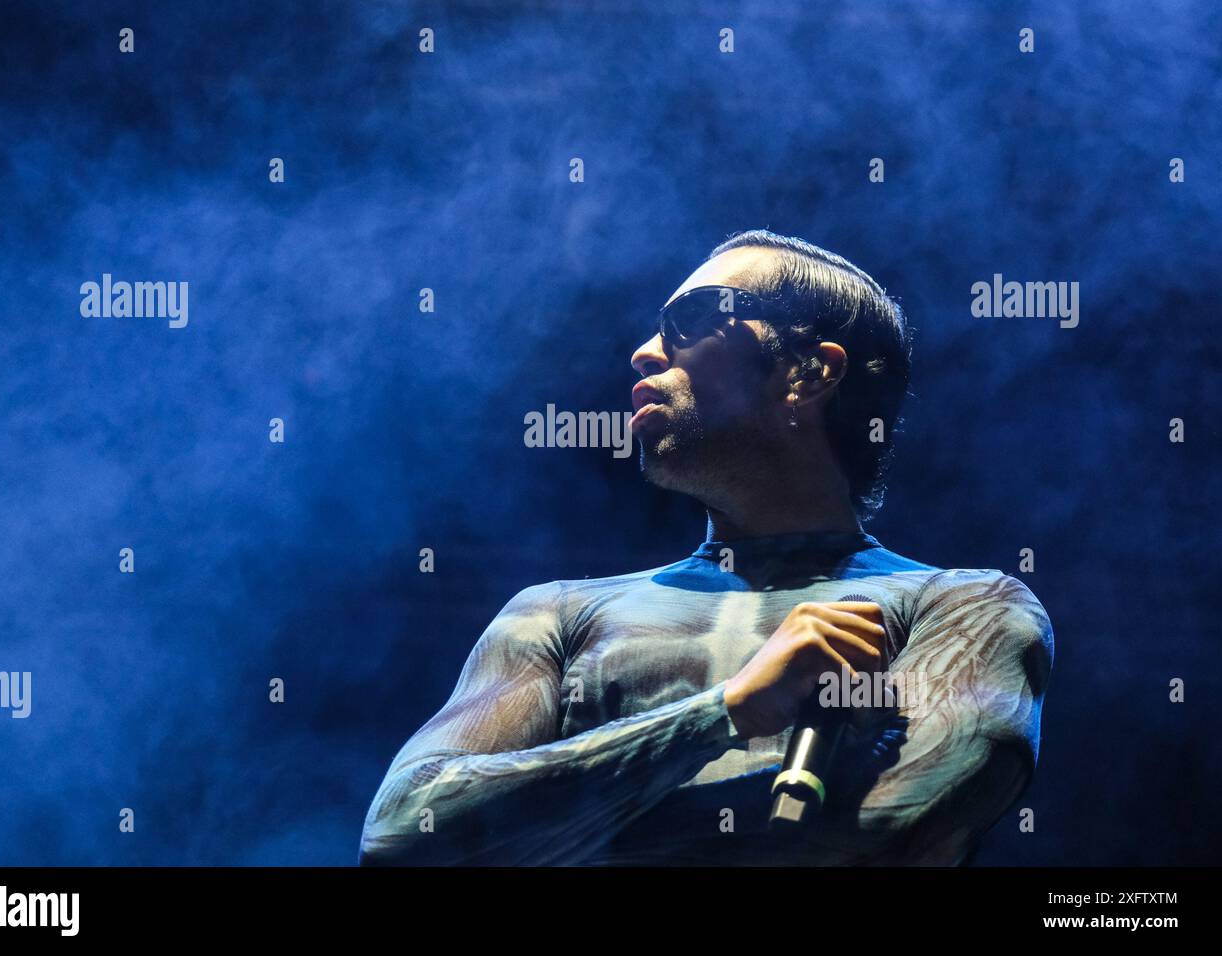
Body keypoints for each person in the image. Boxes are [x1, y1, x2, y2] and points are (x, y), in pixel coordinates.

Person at [359, 229, 1053, 866]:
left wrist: (545, 835)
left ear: (808, 372)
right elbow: (401, 834)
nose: (643, 351)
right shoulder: (555, 612)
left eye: (690, 321)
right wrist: (722, 713)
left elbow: (885, 832)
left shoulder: (963, 605)